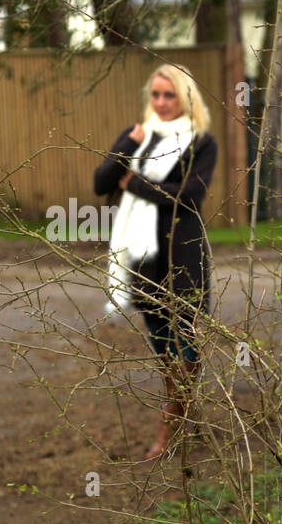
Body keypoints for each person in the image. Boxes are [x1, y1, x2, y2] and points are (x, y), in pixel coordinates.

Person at [93, 64, 218, 460]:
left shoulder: (201, 142)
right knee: (162, 343)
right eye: (156, 95)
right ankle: (185, 412)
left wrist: (137, 184)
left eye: (170, 95)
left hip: (183, 253)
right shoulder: (138, 136)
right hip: (144, 257)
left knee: (186, 337)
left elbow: (189, 195)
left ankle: (169, 424)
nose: (162, 102)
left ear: (185, 98)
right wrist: (129, 146)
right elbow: (100, 183)